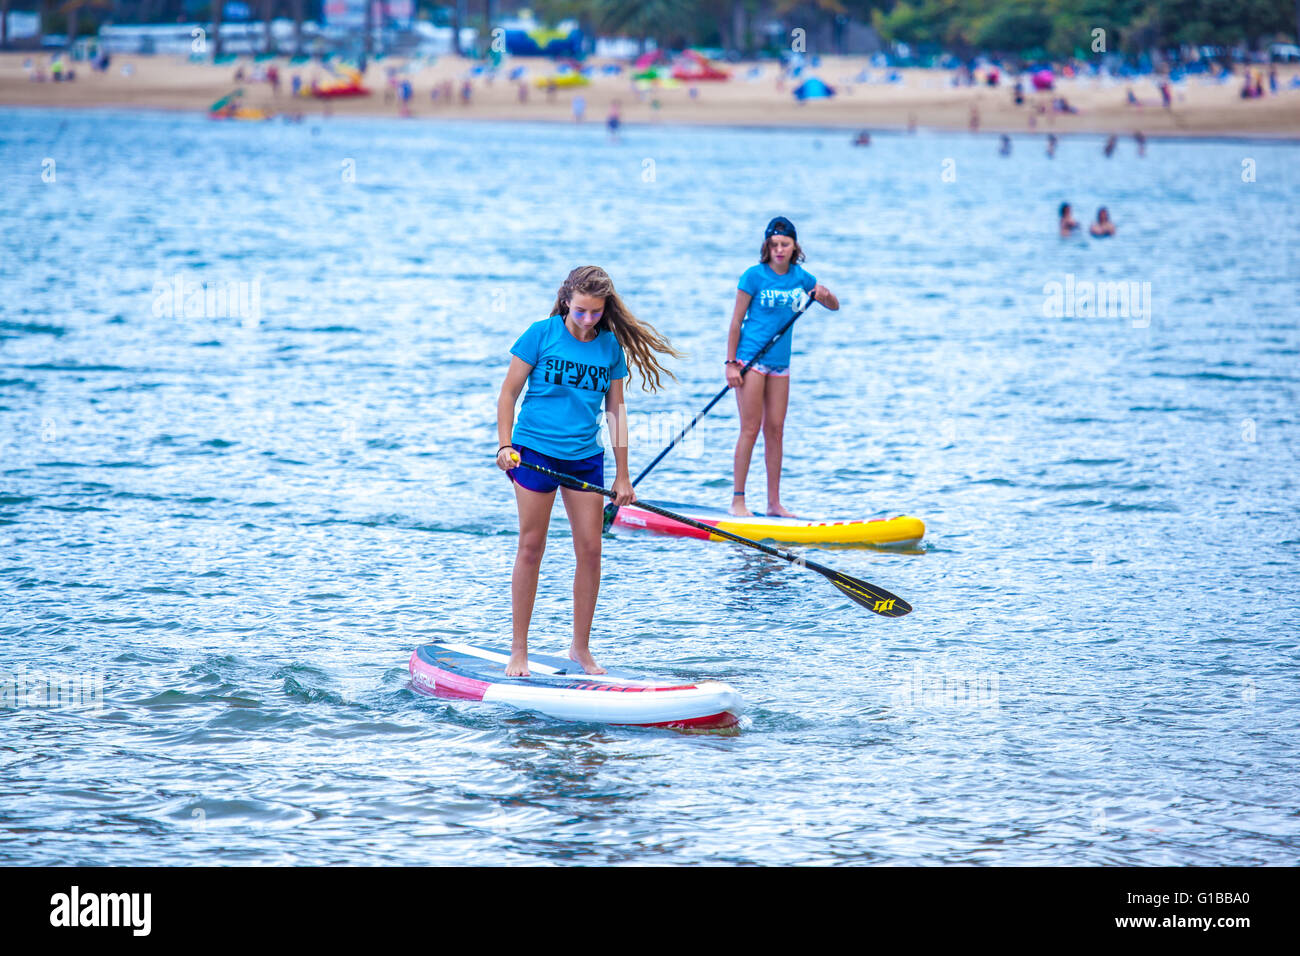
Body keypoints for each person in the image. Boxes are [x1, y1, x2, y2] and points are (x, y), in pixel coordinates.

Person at [496, 266, 681, 677]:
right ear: (566, 302)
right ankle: (519, 651)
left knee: (592, 551)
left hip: (584, 457)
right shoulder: (539, 334)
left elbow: (616, 412)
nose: (588, 320)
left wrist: (623, 475)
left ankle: (579, 649)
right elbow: (508, 393)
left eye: (596, 312)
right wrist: (505, 444)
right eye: (580, 311)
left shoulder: (611, 348)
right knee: (531, 546)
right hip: (535, 452)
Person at [725, 217, 838, 518]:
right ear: (767, 247)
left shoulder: (800, 277)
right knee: (750, 429)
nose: (779, 249)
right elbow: (736, 321)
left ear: (794, 247)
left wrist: (824, 295)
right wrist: (731, 364)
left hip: (780, 363)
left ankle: (774, 504)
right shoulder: (753, 276)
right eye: (773, 245)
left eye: (784, 244)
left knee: (775, 431)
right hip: (750, 360)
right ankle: (738, 501)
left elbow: (834, 304)